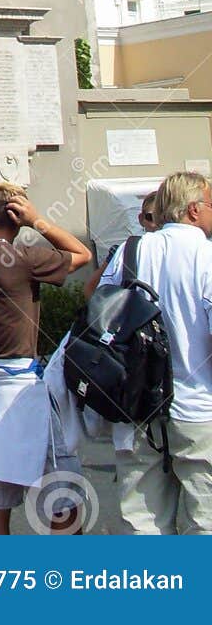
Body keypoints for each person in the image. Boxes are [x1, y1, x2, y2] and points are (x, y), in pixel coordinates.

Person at [0, 184, 89, 534]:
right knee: (63, 498)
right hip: (24, 388)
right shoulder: (26, 259)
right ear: (17, 218)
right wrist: (38, 221)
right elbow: (81, 254)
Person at [101, 170, 212, 534]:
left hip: (135, 407)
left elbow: (99, 318)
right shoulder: (207, 256)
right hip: (198, 407)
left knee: (143, 526)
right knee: (205, 525)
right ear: (194, 210)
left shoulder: (129, 252)